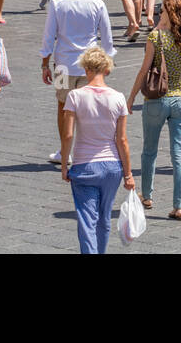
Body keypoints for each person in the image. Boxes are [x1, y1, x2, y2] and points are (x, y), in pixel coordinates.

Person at [128, 0, 181, 220]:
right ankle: (180, 206)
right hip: (180, 101)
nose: (160, 13)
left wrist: (130, 99)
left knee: (149, 151)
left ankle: (147, 196)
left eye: (164, 11)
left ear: (172, 14)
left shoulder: (156, 37)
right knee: (179, 155)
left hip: (157, 100)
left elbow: (143, 70)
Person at [60, 47, 134, 254]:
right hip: (112, 167)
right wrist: (128, 174)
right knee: (104, 217)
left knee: (86, 220)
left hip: (84, 166)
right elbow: (122, 140)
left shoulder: (75, 96)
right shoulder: (118, 98)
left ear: (86, 69)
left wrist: (65, 165)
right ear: (107, 70)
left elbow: (67, 135)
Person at [41, 0, 116, 164]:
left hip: (62, 65)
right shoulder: (97, 4)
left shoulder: (58, 3)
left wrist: (44, 64)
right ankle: (87, 148)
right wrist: (107, 62)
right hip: (89, 67)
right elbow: (107, 39)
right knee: (88, 107)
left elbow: (49, 37)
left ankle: (64, 150)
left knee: (62, 104)